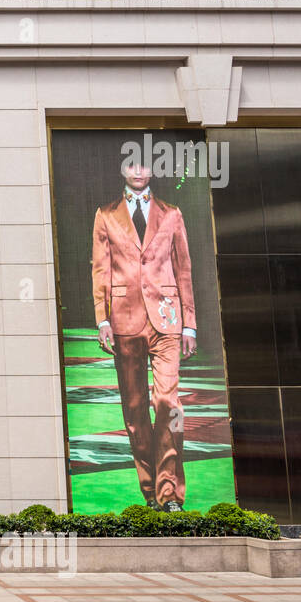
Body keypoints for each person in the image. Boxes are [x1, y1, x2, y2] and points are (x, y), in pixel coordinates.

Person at [92, 160, 196, 512]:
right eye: (131, 165)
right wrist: (102, 319)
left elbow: (184, 269)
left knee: (168, 403)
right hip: (124, 321)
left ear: (152, 171)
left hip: (167, 319)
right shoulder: (105, 215)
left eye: (144, 164)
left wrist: (190, 323)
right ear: (122, 171)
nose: (138, 171)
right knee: (135, 412)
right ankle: (151, 491)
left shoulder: (172, 214)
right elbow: (101, 269)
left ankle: (171, 493)